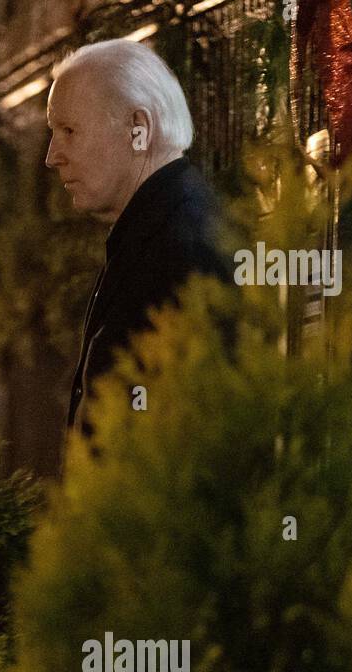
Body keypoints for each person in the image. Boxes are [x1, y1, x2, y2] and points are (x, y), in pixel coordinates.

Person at [46, 39, 228, 436]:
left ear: (139, 129)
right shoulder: (153, 229)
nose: (52, 155)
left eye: (69, 130)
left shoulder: (183, 246)